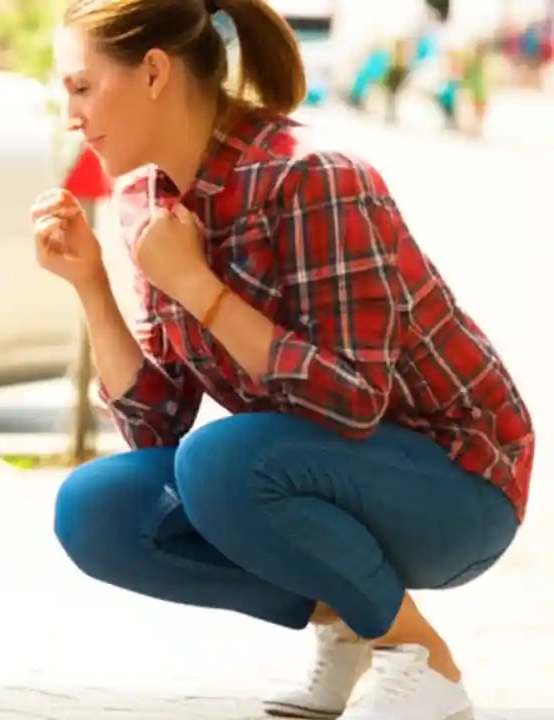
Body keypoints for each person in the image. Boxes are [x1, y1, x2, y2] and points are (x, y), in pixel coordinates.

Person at [30, 0, 535, 718]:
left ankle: (423, 661)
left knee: (222, 462)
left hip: (459, 485)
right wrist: (92, 286)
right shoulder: (146, 197)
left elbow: (354, 398)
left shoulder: (313, 179)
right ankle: (349, 620)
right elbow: (157, 431)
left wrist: (196, 286)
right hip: (313, 470)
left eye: (81, 87)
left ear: (152, 73)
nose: (70, 114)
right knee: (101, 509)